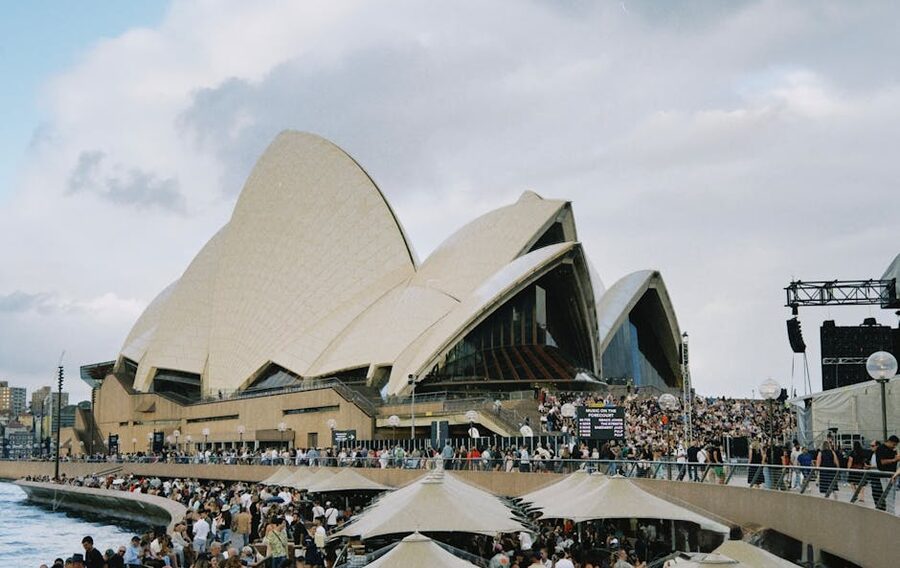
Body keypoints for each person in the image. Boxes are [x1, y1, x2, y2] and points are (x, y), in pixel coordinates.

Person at [873, 435, 900, 512]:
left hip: (892, 475)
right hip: (886, 476)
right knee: (889, 496)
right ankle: (890, 513)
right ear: (890, 442)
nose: (894, 446)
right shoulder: (881, 449)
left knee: (892, 496)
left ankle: (890, 512)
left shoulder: (891, 449)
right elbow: (882, 462)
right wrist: (894, 460)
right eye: (894, 444)